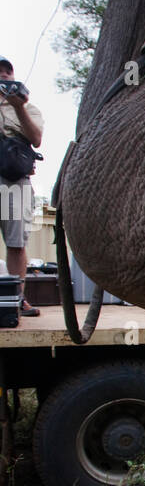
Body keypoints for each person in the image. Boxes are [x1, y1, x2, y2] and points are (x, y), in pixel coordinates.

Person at [0, 56, 44, 317]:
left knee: (16, 243)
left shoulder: (30, 109)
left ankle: (17, 300)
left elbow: (36, 139)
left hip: (15, 181)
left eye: (8, 71)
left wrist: (18, 108)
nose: (4, 75)